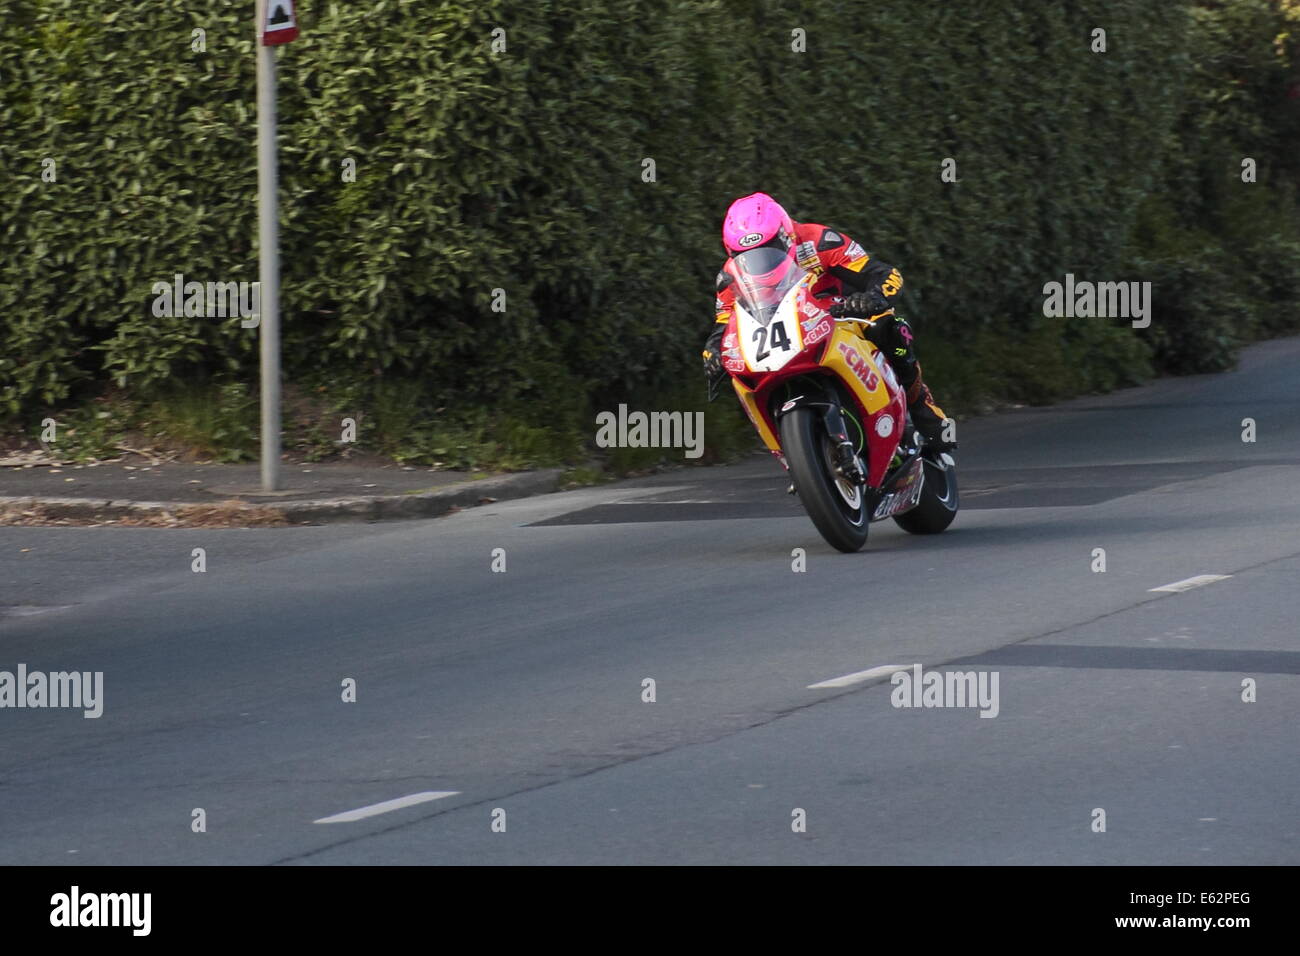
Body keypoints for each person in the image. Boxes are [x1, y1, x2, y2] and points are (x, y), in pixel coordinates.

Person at [703, 192, 953, 450]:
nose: (759, 261)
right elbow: (725, 319)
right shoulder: (729, 277)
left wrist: (873, 298)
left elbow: (883, 273)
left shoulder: (819, 241)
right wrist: (712, 350)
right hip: (784, 334)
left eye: (768, 250)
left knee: (891, 332)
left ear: (784, 235)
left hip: (840, 314)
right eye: (745, 254)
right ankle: (791, 447)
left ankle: (924, 410)